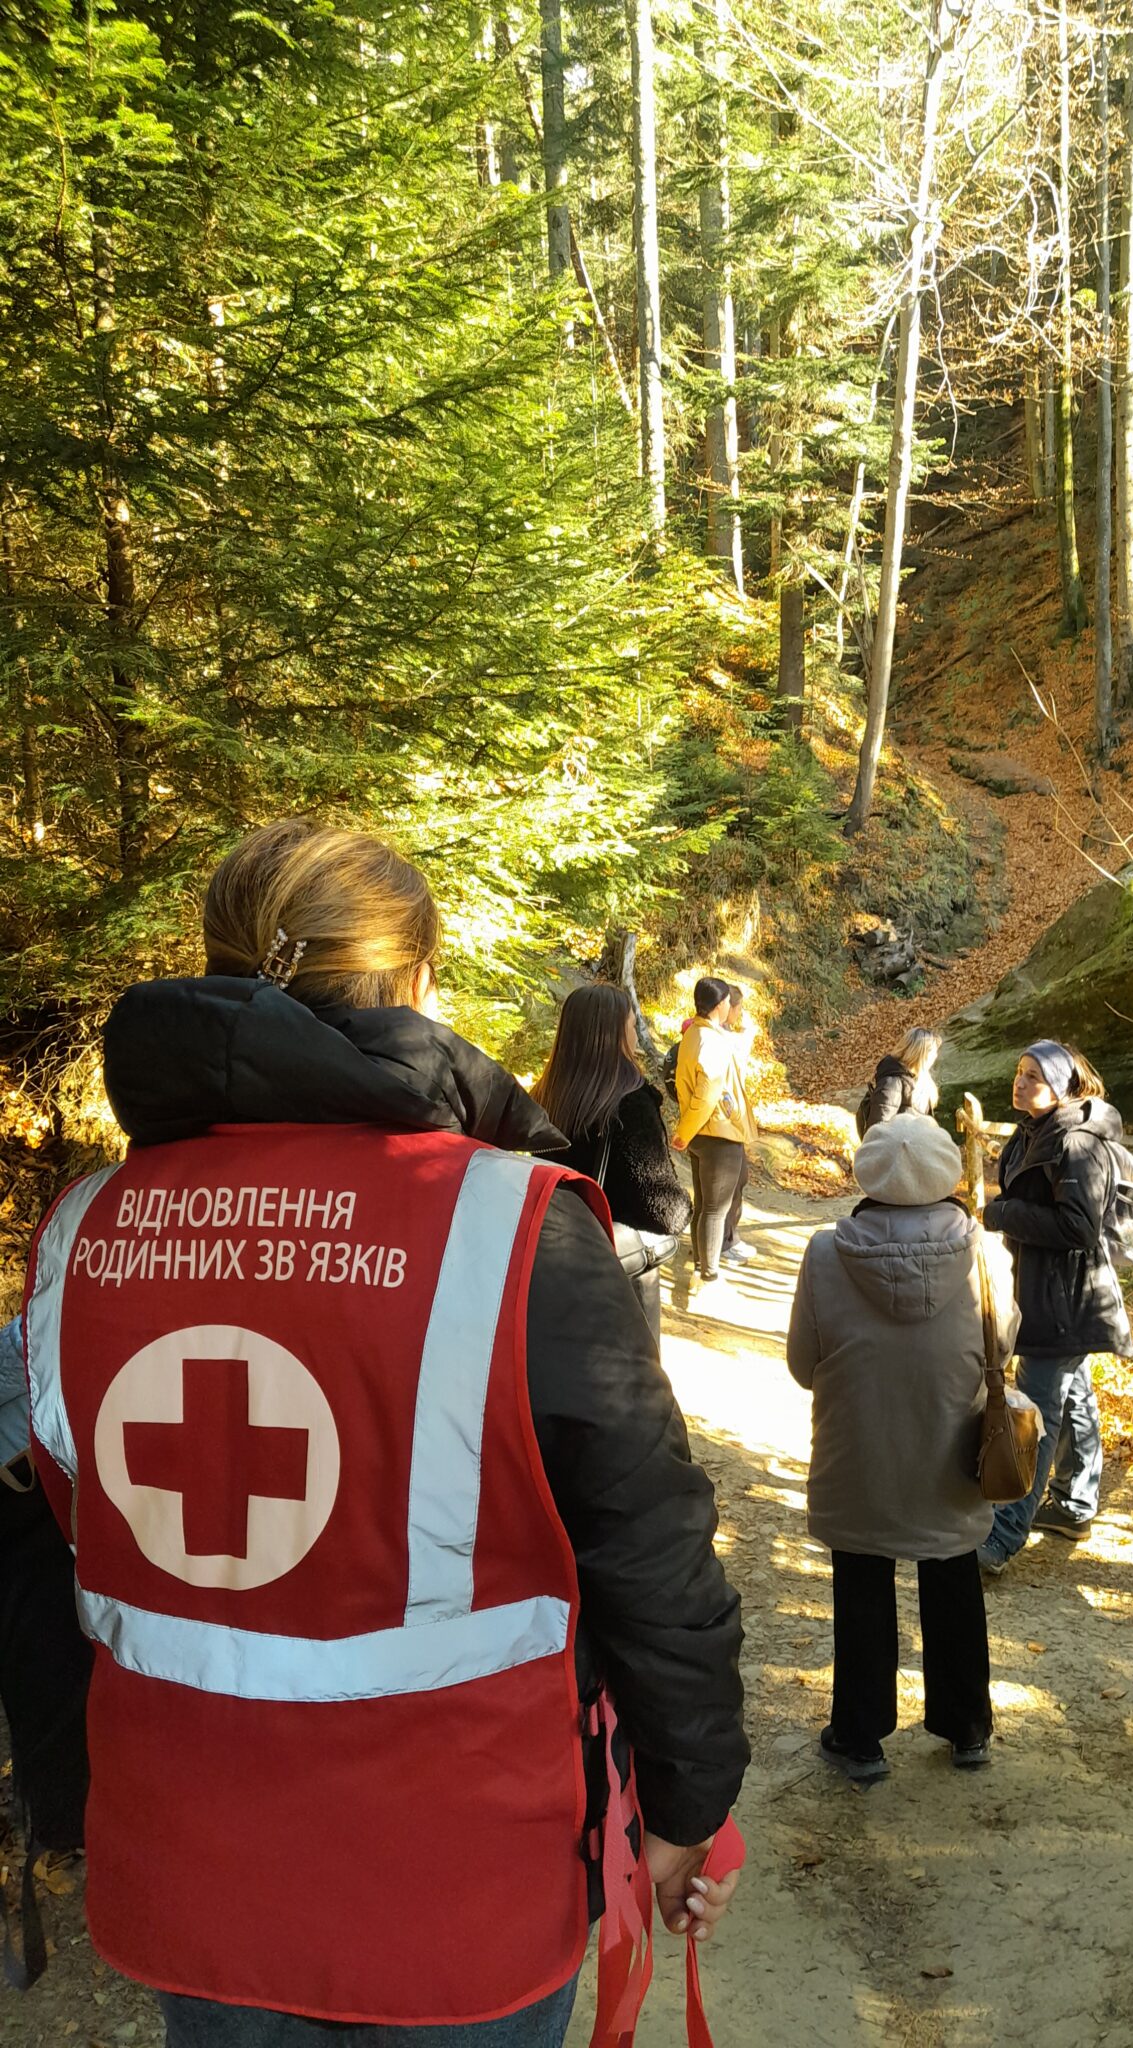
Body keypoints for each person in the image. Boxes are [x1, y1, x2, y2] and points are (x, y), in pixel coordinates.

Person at [19, 819, 747, 2045]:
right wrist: (685, 1803)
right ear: (417, 983)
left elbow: (73, 1505)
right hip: (455, 1895)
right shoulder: (511, 1224)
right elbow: (650, 1545)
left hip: (191, 1878)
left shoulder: (83, 1226)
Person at [786, 1114, 1018, 1781]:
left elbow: (806, 1364)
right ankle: (967, 1724)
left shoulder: (827, 1254)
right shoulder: (983, 1253)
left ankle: (859, 1737)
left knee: (862, 1581)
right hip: (950, 1448)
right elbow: (1002, 1349)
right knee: (952, 1575)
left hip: (857, 1450)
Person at [977, 1039, 1132, 1570]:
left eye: (1034, 1077)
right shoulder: (1034, 1131)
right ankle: (1074, 1502)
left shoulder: (1077, 1142)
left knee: (1037, 1414)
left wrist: (1003, 1214)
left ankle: (1003, 1535)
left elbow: (1081, 1228)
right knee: (1076, 1398)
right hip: (1046, 1291)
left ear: (1063, 1086)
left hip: (1066, 1298)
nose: (1021, 1084)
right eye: (1019, 1072)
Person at [531, 983, 691, 1342]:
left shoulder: (544, 1098)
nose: (635, 1035)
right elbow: (664, 1210)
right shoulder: (630, 1103)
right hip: (617, 1278)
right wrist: (686, 1204)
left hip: (552, 1268)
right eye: (633, 1026)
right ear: (617, 1034)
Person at [672, 976, 756, 1282]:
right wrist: (684, 1132)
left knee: (705, 1205)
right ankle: (708, 1272)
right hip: (717, 1132)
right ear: (720, 1005)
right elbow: (707, 1094)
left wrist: (688, 1131)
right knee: (714, 1208)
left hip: (702, 1132)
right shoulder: (711, 1041)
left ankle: (701, 1265)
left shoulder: (693, 1033)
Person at [855, 1026, 943, 1136]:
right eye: (933, 1052)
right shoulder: (892, 1084)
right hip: (896, 1150)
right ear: (921, 1054)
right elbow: (877, 1131)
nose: (936, 1056)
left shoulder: (921, 1079)